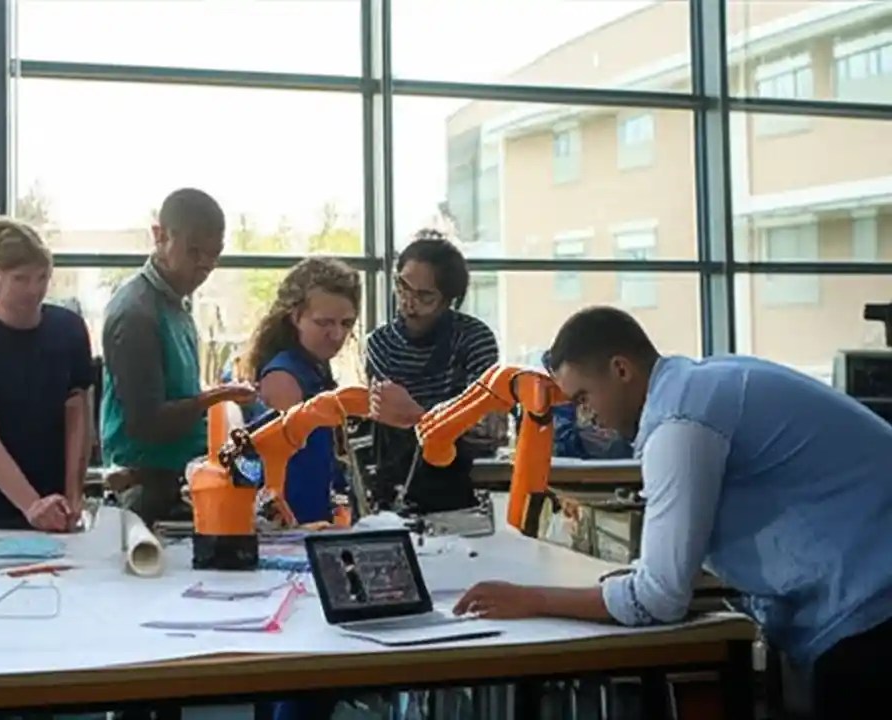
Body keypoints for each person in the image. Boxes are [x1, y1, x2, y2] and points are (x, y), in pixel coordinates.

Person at [454, 305, 892, 717]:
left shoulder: (680, 424)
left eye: (584, 397)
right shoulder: (700, 384)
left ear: (621, 369)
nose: (586, 418)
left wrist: (529, 599)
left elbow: (659, 598)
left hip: (871, 606)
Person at [100, 188, 256, 528]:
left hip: (176, 480)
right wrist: (220, 396)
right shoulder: (136, 314)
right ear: (160, 236)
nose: (204, 265)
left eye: (214, 254)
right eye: (194, 251)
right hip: (147, 491)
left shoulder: (173, 304)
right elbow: (146, 423)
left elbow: (178, 394)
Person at [0, 216, 93, 532]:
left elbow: (77, 414)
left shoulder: (69, 329)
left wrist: (73, 495)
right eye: (21, 279)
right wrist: (32, 505)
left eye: (42, 277)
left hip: (57, 504)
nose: (34, 290)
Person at [365, 229, 506, 513]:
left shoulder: (473, 339)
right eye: (402, 287)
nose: (408, 303)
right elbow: (384, 422)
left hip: (456, 480)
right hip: (395, 482)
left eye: (425, 297)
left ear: (449, 299)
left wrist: (418, 415)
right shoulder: (380, 343)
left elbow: (485, 429)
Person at [238, 257, 360, 525]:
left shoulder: (316, 367)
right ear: (295, 317)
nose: (337, 335)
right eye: (324, 323)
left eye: (346, 323)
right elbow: (282, 478)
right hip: (293, 528)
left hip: (316, 523)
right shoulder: (284, 378)